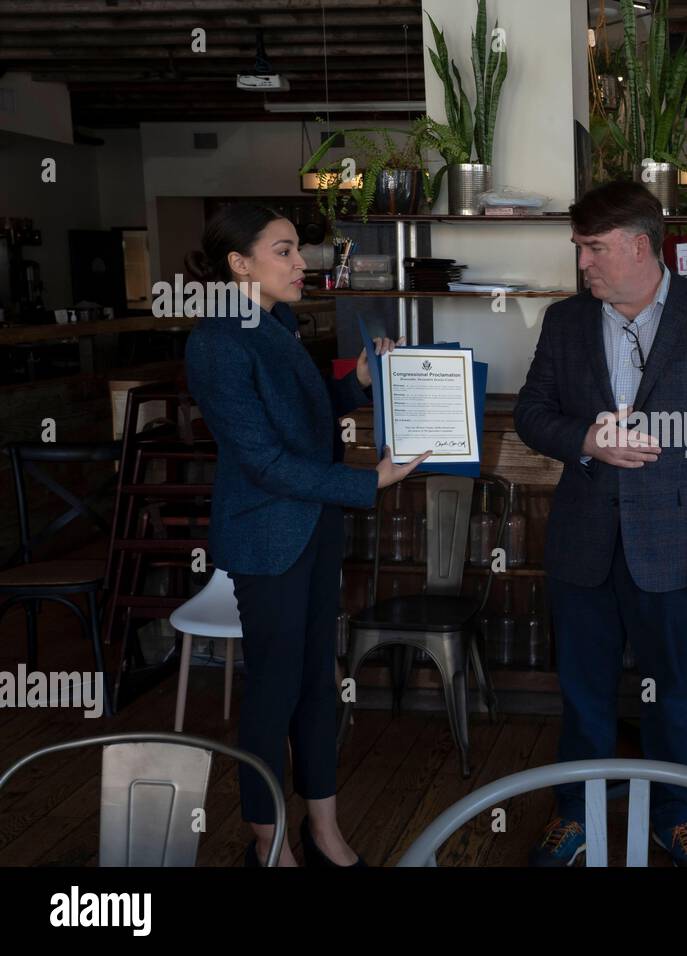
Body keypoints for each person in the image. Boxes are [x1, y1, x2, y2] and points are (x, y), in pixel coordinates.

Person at [514, 181, 687, 866]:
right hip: (583, 545)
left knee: (672, 694)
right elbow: (530, 414)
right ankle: (577, 815)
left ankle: (675, 817)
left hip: (679, 549)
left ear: (639, 246)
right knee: (584, 692)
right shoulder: (566, 321)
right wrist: (585, 442)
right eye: (580, 249)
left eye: (593, 249)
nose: (583, 263)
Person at [184, 203, 428, 867]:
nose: (302, 264)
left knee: (319, 682)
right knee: (273, 690)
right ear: (239, 264)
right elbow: (262, 459)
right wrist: (368, 482)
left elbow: (304, 410)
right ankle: (268, 844)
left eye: (299, 251)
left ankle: (324, 831)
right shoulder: (215, 342)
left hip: (314, 527)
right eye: (285, 251)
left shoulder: (278, 322)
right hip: (267, 539)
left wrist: (361, 382)